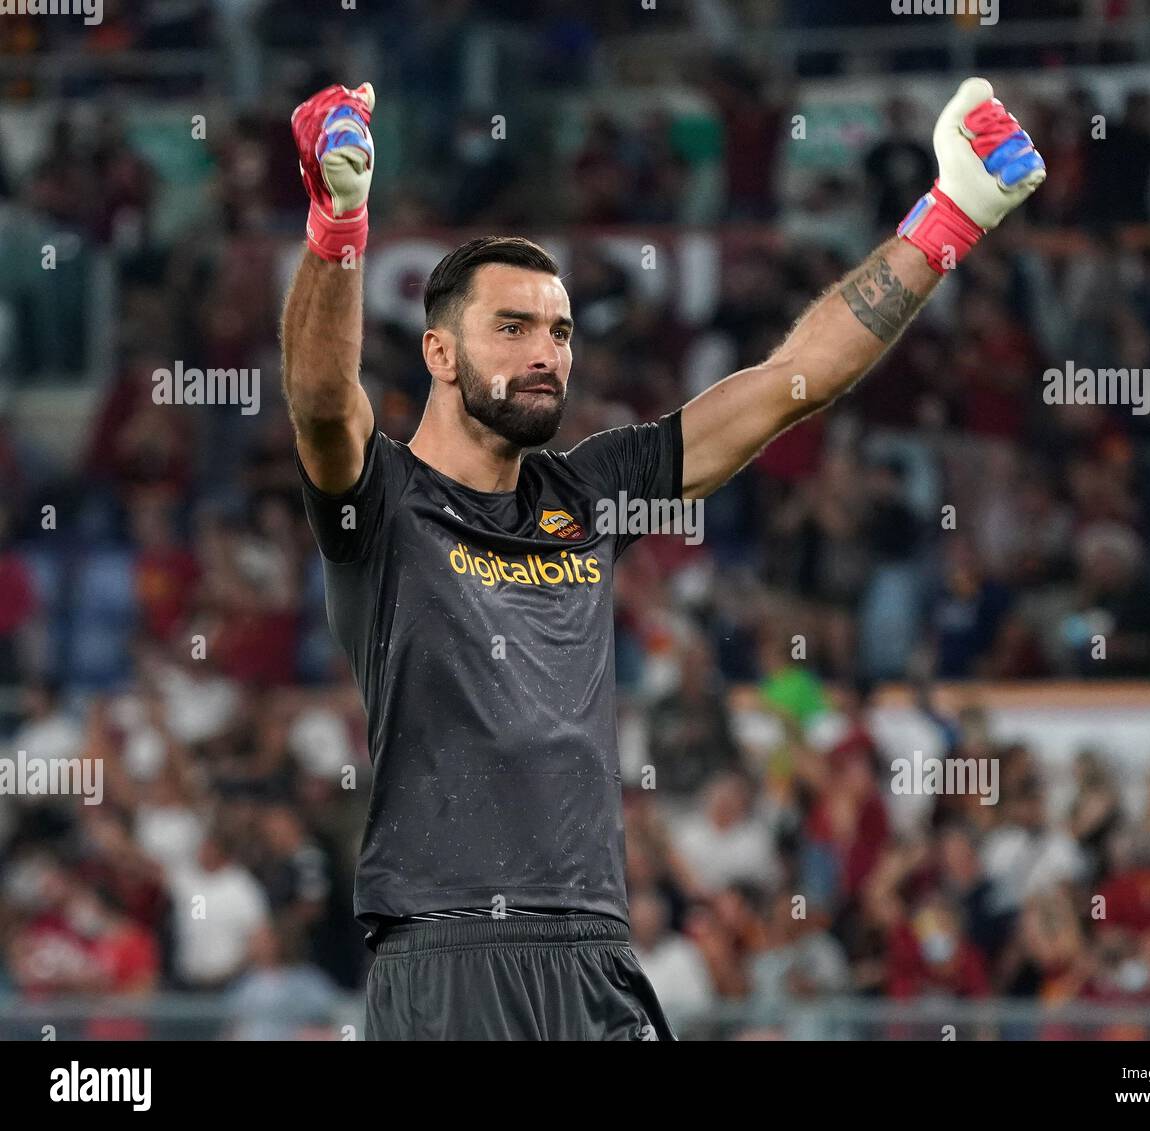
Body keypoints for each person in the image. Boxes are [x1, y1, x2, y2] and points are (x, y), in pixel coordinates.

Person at [280, 78, 1045, 1040]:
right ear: (439, 353)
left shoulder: (591, 492)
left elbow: (785, 388)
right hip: (450, 953)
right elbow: (319, 401)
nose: (546, 352)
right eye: (511, 329)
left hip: (599, 949)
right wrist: (339, 222)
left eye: (559, 331)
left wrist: (950, 219)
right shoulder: (384, 502)